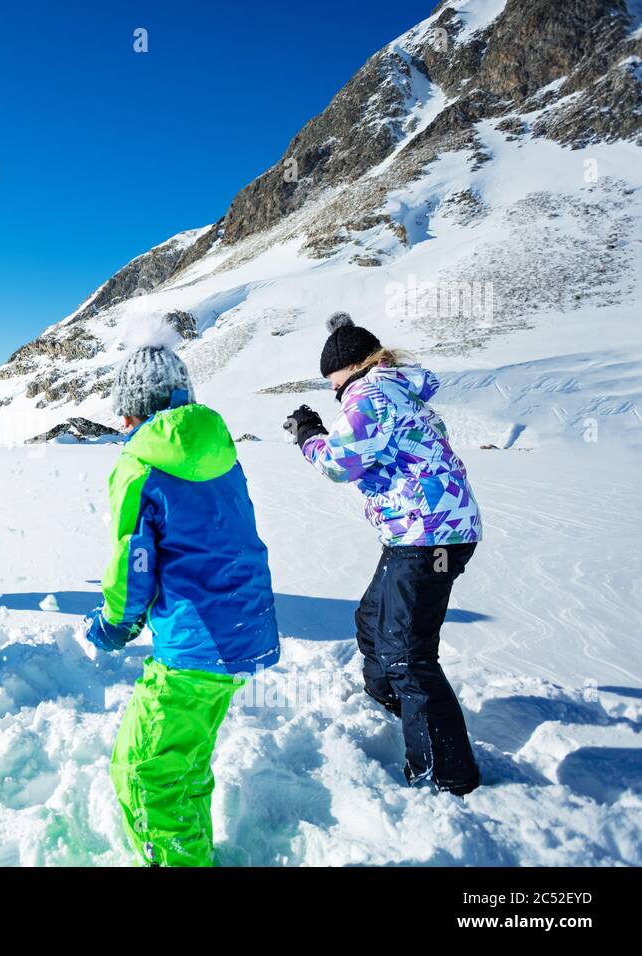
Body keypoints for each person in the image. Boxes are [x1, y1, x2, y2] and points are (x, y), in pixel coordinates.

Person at [84, 319, 281, 867]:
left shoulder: (140, 464)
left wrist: (113, 625)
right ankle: (195, 852)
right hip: (244, 634)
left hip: (197, 647)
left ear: (133, 410)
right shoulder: (221, 452)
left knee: (144, 772)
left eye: (123, 413)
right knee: (185, 760)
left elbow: (134, 564)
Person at [284, 312, 482, 796]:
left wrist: (309, 434)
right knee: (374, 620)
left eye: (332, 379)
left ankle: (447, 774)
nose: (332, 389)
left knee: (408, 653)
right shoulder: (393, 389)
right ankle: (392, 706)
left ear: (347, 367)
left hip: (429, 538)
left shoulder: (370, 393)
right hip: (420, 533)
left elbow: (339, 463)